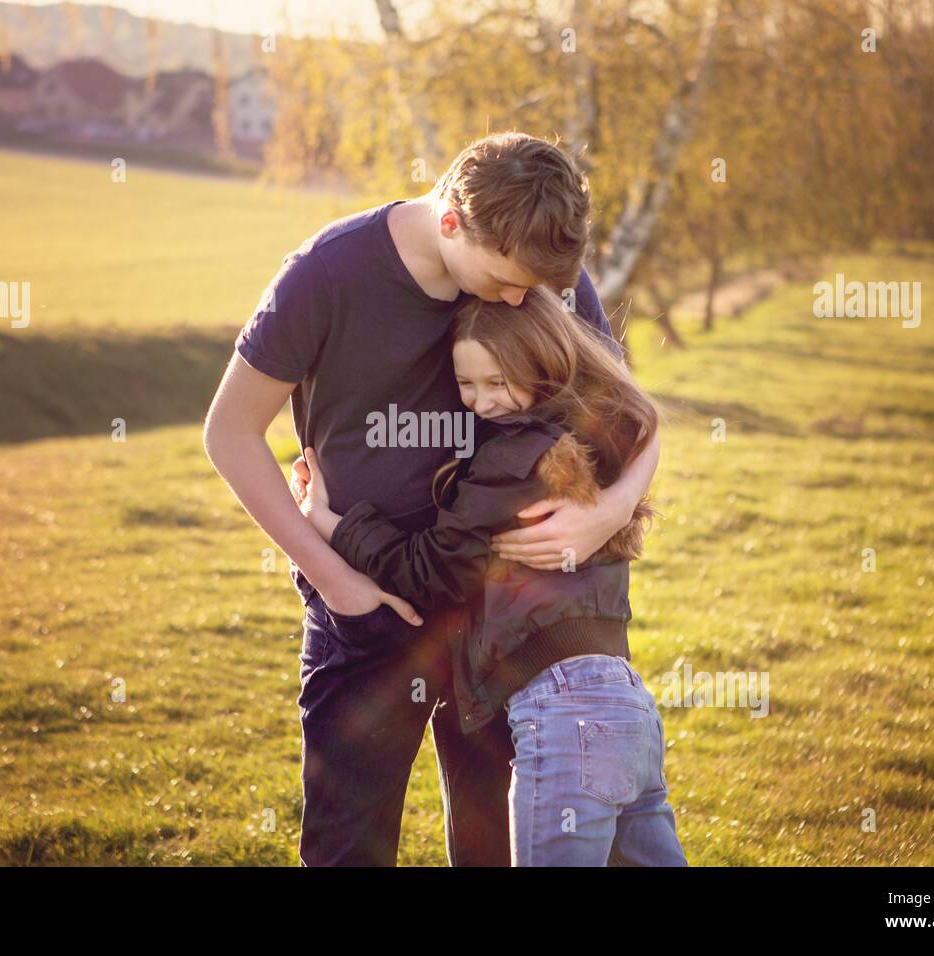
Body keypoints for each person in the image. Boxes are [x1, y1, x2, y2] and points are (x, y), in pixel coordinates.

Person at [203, 131, 661, 866]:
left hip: (504, 617)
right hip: (365, 611)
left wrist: (608, 511)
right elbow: (228, 433)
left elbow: (634, 418)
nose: (521, 300)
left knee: (497, 844)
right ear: (452, 222)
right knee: (347, 848)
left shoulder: (539, 271)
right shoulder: (327, 273)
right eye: (506, 282)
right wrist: (338, 582)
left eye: (534, 288)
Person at [299, 286, 688, 865]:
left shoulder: (514, 459)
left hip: (563, 719)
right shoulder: (595, 435)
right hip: (626, 706)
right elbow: (643, 416)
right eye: (467, 384)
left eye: (498, 382)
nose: (481, 402)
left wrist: (329, 522)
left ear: (543, 366)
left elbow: (430, 571)